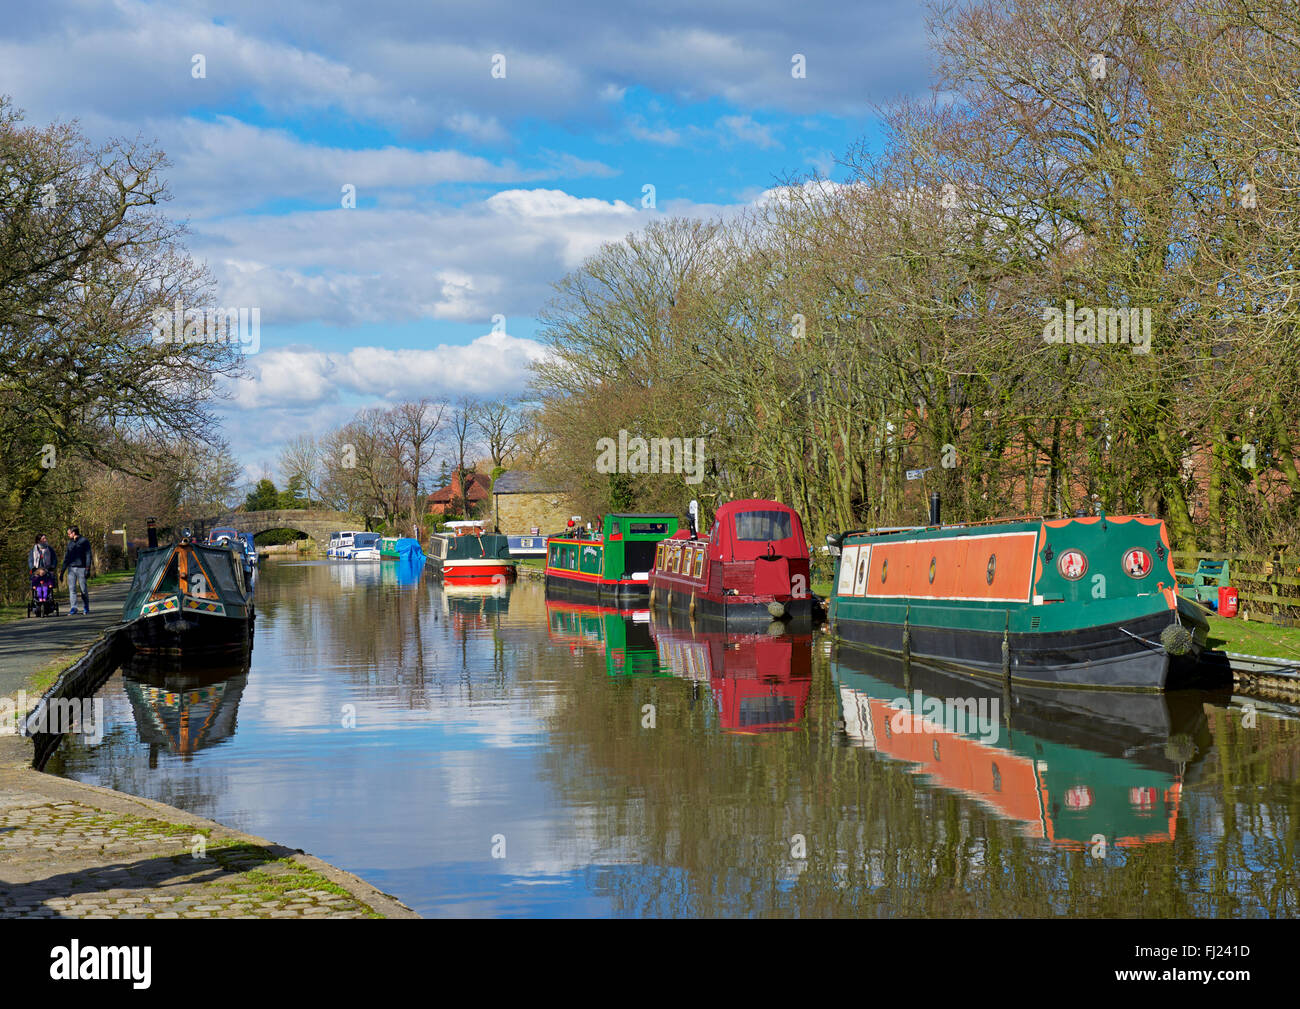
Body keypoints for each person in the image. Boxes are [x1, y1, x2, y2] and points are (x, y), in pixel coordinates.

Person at [60, 526, 92, 615]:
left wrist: (87, 568)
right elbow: (67, 557)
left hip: (81, 568)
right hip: (71, 568)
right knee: (72, 589)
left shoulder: (84, 541)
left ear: (74, 533)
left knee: (83, 589)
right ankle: (73, 607)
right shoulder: (70, 543)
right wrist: (62, 571)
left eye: (69, 533)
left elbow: (88, 555)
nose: (68, 535)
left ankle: (86, 606)